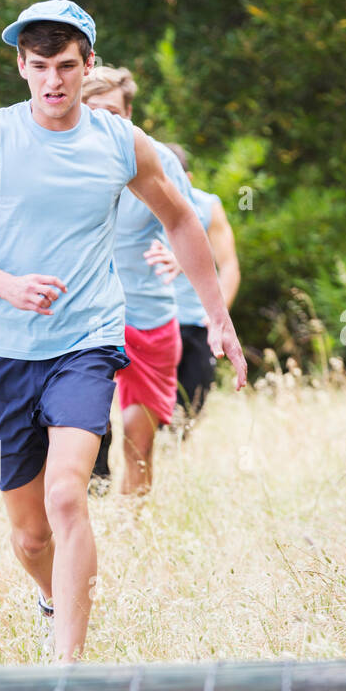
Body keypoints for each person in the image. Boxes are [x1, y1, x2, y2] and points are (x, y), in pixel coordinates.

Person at [0, 0, 246, 662]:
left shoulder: (122, 143)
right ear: (20, 66)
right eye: (39, 66)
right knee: (29, 538)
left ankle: (68, 671)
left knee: (68, 491)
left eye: (65, 66)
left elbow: (183, 220)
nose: (53, 82)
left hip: (87, 340)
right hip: (3, 348)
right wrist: (8, 285)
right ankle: (50, 599)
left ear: (88, 65)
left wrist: (216, 316)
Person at [82, 67, 195, 496]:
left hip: (148, 317)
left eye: (111, 111)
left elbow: (189, 225)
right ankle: (85, 514)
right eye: (90, 110)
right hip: (86, 317)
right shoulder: (61, 156)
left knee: (137, 441)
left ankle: (133, 531)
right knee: (85, 432)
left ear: (128, 114)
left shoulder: (155, 157)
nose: (101, 120)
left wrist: (177, 257)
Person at [145, 142, 242, 415]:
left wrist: (218, 317)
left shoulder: (208, 206)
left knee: (191, 408)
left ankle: (175, 450)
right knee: (154, 410)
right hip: (155, 320)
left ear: (187, 180)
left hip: (198, 322)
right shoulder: (136, 200)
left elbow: (229, 265)